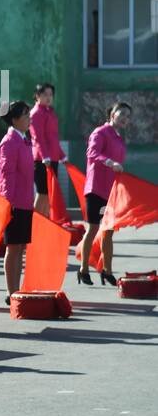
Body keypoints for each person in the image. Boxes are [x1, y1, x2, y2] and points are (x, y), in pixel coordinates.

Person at [78, 101, 130, 286]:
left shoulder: (118, 137)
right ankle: (83, 269)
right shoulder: (100, 132)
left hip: (111, 192)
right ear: (111, 114)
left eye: (127, 115)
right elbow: (92, 153)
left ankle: (106, 270)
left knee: (108, 232)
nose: (125, 118)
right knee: (93, 228)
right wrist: (110, 163)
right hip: (96, 189)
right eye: (121, 113)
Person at [0, 101, 35, 302]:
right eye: (25, 115)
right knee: (12, 248)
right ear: (14, 119)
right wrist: (7, 203)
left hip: (26, 202)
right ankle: (11, 292)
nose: (29, 118)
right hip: (14, 204)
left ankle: (16, 290)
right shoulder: (9, 142)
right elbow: (6, 175)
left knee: (20, 248)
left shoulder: (24, 140)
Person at [29, 82, 65, 219]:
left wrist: (62, 155)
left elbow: (53, 137)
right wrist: (45, 157)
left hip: (52, 157)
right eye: (45, 94)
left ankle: (44, 223)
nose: (48, 97)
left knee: (49, 193)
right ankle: (34, 224)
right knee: (42, 192)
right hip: (41, 159)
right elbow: (38, 137)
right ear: (37, 96)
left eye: (51, 95)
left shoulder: (50, 112)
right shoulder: (36, 113)